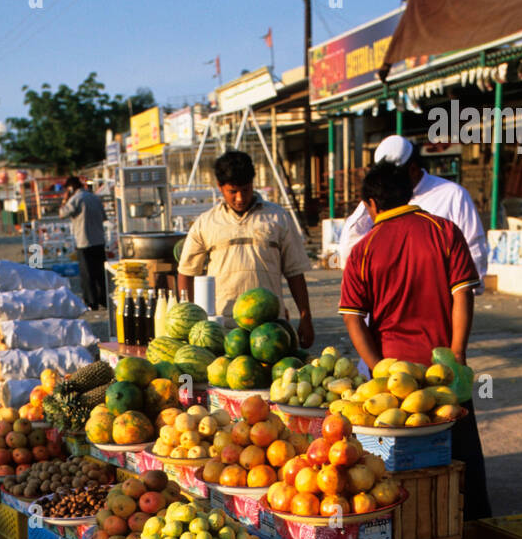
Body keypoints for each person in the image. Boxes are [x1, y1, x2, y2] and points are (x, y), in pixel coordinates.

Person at [339, 160, 490, 519]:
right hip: (444, 373)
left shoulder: (364, 249)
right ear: (409, 192)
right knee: (461, 459)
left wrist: (378, 368)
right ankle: (472, 531)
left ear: (372, 204)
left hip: (393, 382)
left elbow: (352, 317)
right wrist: (457, 353)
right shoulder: (445, 231)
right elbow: (463, 295)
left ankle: (409, 537)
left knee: (396, 469)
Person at [177, 149, 314, 345]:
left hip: (270, 328)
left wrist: (305, 316)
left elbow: (295, 272)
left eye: (246, 189)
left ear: (253, 183)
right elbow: (186, 272)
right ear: (220, 187)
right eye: (232, 191)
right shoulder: (205, 223)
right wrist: (187, 321)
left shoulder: (278, 218)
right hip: (224, 328)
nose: (240, 198)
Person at [338, 136, 489, 287]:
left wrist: (460, 295)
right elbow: (349, 250)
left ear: (413, 169)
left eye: (394, 176)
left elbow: (474, 251)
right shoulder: (379, 196)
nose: (388, 181)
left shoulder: (452, 195)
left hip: (437, 300)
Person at [58, 176, 106, 311]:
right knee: (100, 273)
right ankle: (103, 299)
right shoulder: (94, 198)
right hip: (99, 240)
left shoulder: (76, 199)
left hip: (84, 241)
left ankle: (92, 302)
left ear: (70, 188)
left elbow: (62, 213)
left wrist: (65, 199)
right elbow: (103, 217)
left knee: (87, 274)